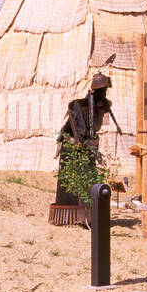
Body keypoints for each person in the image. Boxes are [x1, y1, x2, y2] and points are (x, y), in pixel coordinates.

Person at [54, 72, 122, 207]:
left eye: (105, 90)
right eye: (102, 90)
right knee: (70, 179)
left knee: (88, 175)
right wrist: (83, 141)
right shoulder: (79, 105)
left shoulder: (100, 105)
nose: (104, 93)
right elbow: (80, 127)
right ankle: (70, 208)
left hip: (86, 143)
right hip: (72, 143)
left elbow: (94, 125)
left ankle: (86, 208)